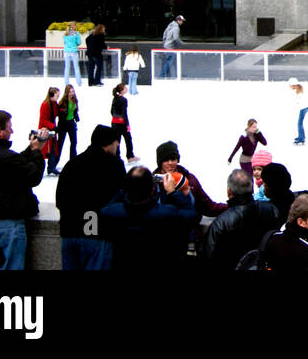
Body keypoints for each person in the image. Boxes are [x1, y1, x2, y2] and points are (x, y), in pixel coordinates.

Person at [0, 109, 45, 270]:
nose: (12, 131)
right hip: (8, 225)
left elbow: (14, 166)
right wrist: (37, 151)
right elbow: (32, 176)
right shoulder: (5, 157)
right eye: (9, 127)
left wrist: (31, 149)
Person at [99, 165, 199, 271]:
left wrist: (123, 191)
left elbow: (103, 211)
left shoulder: (111, 213)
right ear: (152, 189)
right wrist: (173, 193)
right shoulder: (168, 214)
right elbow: (192, 216)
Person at [55, 124, 125, 270]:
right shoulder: (114, 165)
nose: (118, 144)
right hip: (97, 235)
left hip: (70, 234)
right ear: (107, 143)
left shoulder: (72, 164)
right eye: (116, 141)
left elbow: (60, 200)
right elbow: (120, 198)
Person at [199, 169, 282, 270]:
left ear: (229, 191)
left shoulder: (221, 223)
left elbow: (208, 256)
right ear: (251, 188)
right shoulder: (271, 210)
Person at [154, 140, 228, 219]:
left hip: (187, 228)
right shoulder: (152, 183)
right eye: (166, 160)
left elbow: (207, 206)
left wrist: (231, 206)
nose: (170, 163)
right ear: (160, 162)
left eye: (173, 159)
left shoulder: (190, 179)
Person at [53, 84, 79, 173]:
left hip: (71, 123)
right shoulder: (62, 102)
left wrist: (76, 117)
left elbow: (75, 110)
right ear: (67, 92)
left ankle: (73, 161)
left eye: (73, 91)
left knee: (74, 142)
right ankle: (54, 163)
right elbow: (59, 114)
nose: (72, 93)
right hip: (63, 125)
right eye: (70, 92)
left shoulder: (74, 100)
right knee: (60, 144)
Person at [110, 82, 137, 162]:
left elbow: (111, 111)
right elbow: (124, 113)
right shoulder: (123, 100)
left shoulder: (115, 98)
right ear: (122, 90)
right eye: (125, 88)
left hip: (114, 123)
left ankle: (116, 157)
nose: (126, 89)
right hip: (122, 124)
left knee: (117, 141)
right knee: (128, 139)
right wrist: (127, 124)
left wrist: (115, 118)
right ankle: (130, 156)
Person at [37, 86, 60, 175]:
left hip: (51, 129)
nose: (58, 97)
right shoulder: (45, 104)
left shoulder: (54, 103)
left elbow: (56, 112)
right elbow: (43, 119)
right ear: (52, 95)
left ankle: (51, 167)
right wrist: (52, 126)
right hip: (45, 130)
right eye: (57, 95)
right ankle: (42, 167)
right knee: (45, 150)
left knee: (53, 149)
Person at [159, 14, 185, 79]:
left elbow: (164, 33)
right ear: (178, 20)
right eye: (182, 21)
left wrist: (164, 42)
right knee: (169, 62)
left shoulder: (170, 25)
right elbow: (176, 38)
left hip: (167, 46)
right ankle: (162, 75)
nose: (182, 22)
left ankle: (175, 74)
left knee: (172, 61)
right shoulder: (176, 28)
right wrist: (182, 44)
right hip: (170, 47)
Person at [61, 23, 83, 88]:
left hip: (66, 51)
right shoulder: (76, 33)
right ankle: (78, 82)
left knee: (67, 67)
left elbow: (65, 42)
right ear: (73, 26)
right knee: (76, 67)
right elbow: (79, 42)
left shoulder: (65, 34)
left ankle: (66, 82)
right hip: (74, 51)